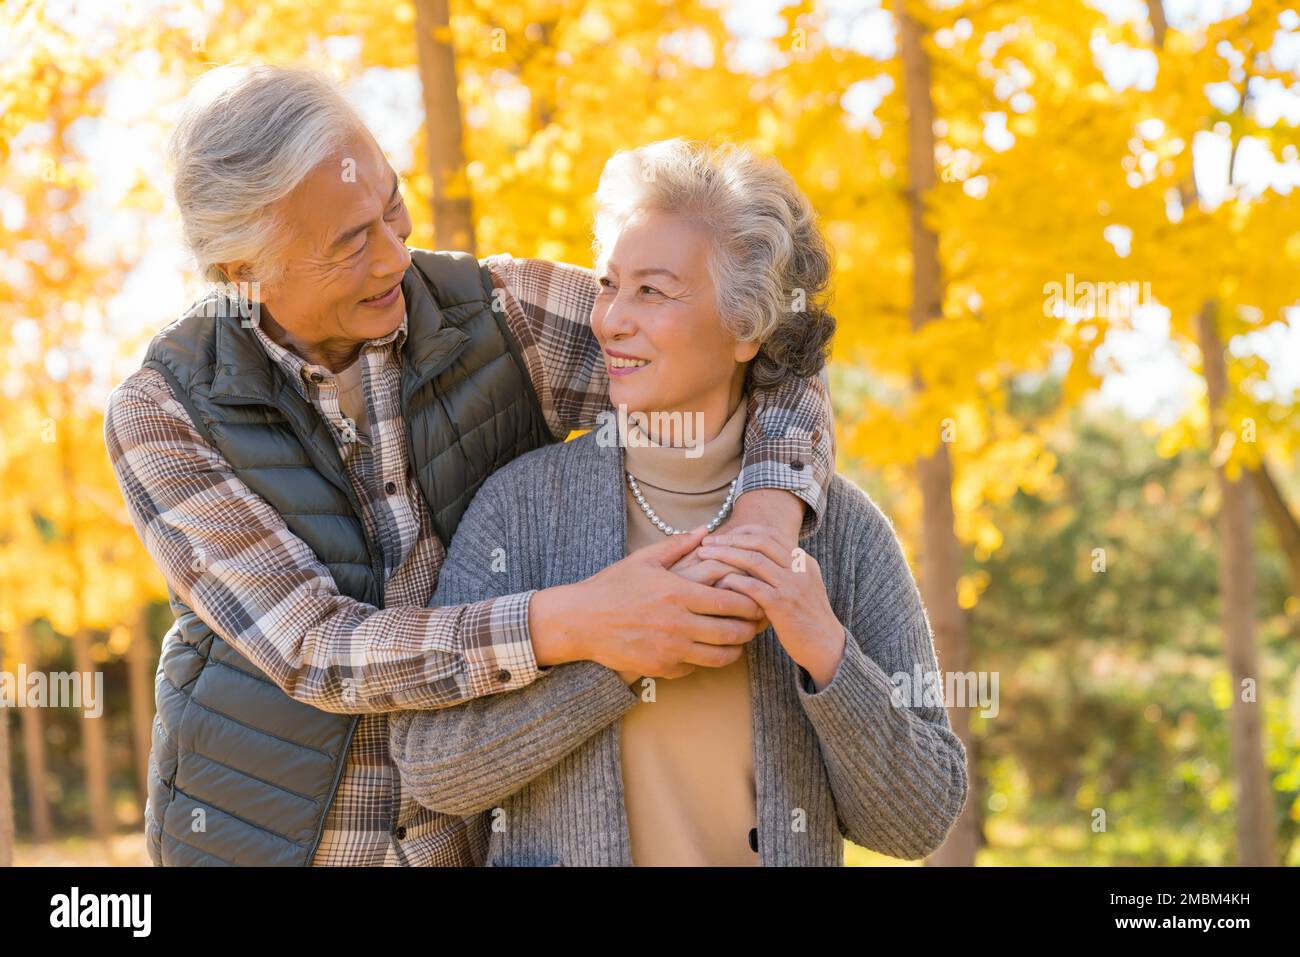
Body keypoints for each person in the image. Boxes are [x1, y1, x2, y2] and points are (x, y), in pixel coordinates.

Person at [103, 65, 835, 866]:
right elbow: (316, 648)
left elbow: (761, 347)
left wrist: (771, 506)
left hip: (466, 844)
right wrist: (576, 620)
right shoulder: (165, 413)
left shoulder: (499, 315)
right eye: (350, 243)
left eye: (391, 206)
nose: (394, 256)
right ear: (244, 269)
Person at [388, 138, 969, 866]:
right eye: (609, 284)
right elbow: (434, 768)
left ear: (747, 325)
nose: (609, 319)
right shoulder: (521, 506)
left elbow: (919, 820)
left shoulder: (840, 533)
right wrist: (616, 658)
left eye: (652, 291)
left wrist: (826, 650)